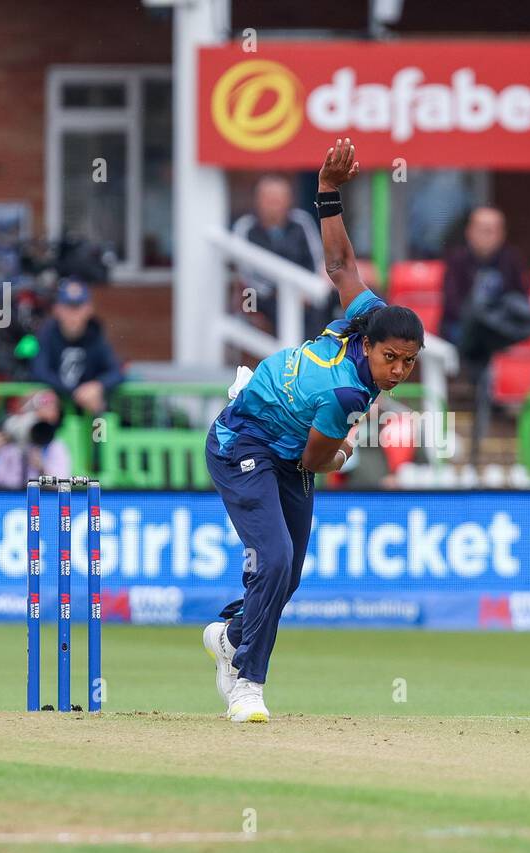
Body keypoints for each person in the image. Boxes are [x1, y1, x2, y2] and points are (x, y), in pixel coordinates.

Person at [201, 138, 425, 723]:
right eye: (390, 359)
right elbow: (320, 455)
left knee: (289, 572)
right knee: (273, 557)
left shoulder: (364, 332)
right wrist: (344, 447)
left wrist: (327, 192)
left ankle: (230, 637)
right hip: (241, 442)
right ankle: (247, 680)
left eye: (409, 363)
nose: (397, 372)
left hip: (290, 451)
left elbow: (340, 266)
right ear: (368, 343)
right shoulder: (351, 383)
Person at [231, 174, 327, 338]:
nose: (273, 205)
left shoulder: (302, 222)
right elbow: (244, 271)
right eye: (268, 199)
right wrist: (278, 292)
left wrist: (305, 291)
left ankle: (315, 356)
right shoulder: (245, 227)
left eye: (278, 199)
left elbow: (316, 259)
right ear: (257, 200)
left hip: (303, 293)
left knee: (325, 306)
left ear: (289, 200)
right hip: (258, 295)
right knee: (250, 303)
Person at [30, 277, 124, 415]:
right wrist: (76, 392)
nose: (73, 314)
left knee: (101, 414)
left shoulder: (96, 335)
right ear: (57, 309)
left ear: (89, 309)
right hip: (56, 411)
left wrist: (98, 386)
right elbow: (39, 371)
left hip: (91, 410)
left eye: (78, 307)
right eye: (68, 307)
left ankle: (99, 436)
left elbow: (116, 371)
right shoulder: (45, 334)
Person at [439, 205, 528, 345]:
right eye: (482, 230)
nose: (487, 236)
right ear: (469, 232)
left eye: (492, 230)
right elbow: (452, 305)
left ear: (502, 234)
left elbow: (520, 298)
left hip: (501, 325)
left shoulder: (511, 260)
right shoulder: (457, 260)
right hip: (464, 327)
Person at [0, 390, 71, 488]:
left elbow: (63, 489)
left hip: (33, 502)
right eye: (32, 414)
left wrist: (42, 468)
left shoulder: (53, 445)